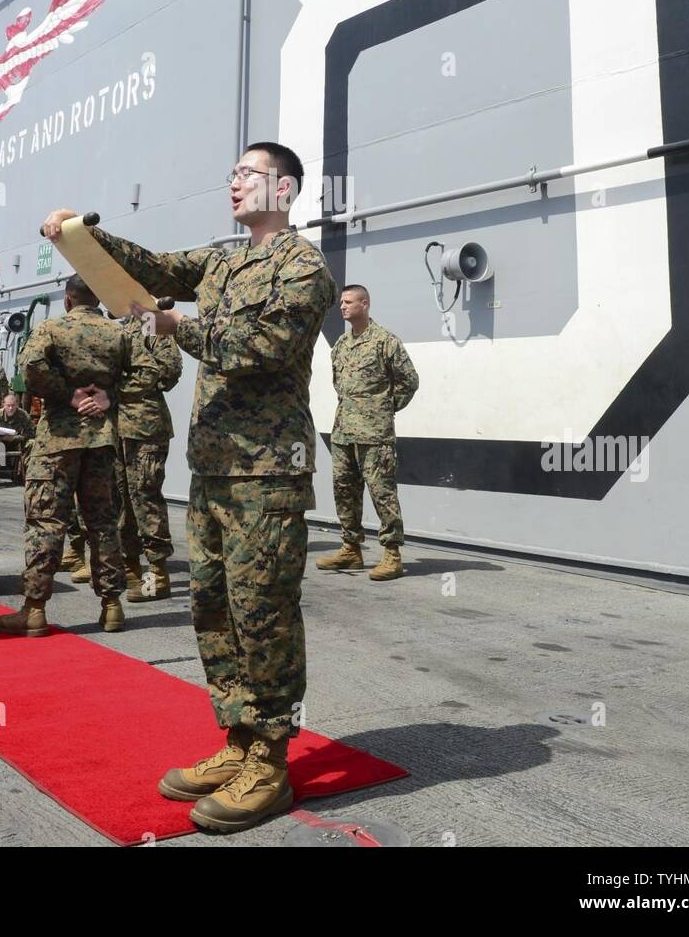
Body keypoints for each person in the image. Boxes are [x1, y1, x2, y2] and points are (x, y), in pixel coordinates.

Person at [42, 140, 338, 833]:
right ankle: (236, 739)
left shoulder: (304, 267)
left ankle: (269, 758)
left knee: (262, 610)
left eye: (250, 174)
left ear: (285, 189)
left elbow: (261, 347)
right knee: (213, 606)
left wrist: (176, 324)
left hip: (267, 468)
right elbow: (155, 268)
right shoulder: (224, 257)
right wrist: (85, 237)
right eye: (233, 173)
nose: (235, 183)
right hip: (213, 466)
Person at [0, 275, 131, 638]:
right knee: (102, 522)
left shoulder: (52, 328)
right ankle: (112, 606)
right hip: (101, 440)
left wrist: (68, 395)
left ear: (69, 299)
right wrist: (108, 397)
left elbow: (31, 368)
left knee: (46, 521)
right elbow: (145, 374)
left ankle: (35, 609)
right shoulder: (118, 334)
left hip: (58, 440)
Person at [317, 285, 419, 580]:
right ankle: (351, 549)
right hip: (343, 431)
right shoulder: (341, 344)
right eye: (341, 302)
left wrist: (383, 410)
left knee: (382, 492)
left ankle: (392, 554)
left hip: (374, 434)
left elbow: (409, 381)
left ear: (365, 303)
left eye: (349, 302)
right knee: (344, 491)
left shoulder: (386, 342)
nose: (343, 307)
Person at [116, 315, 182, 602]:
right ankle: (130, 568)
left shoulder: (153, 327)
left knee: (145, 496)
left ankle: (157, 573)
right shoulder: (117, 329)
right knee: (120, 499)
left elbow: (170, 371)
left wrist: (127, 377)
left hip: (146, 426)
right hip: (115, 427)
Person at [0, 392, 35, 489]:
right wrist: (0, 437)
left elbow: (31, 433)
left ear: (17, 405)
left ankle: (24, 474)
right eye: (8, 405)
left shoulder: (23, 415)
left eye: (13, 405)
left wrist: (15, 438)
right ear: (3, 404)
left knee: (32, 443)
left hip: (16, 442)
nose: (11, 408)